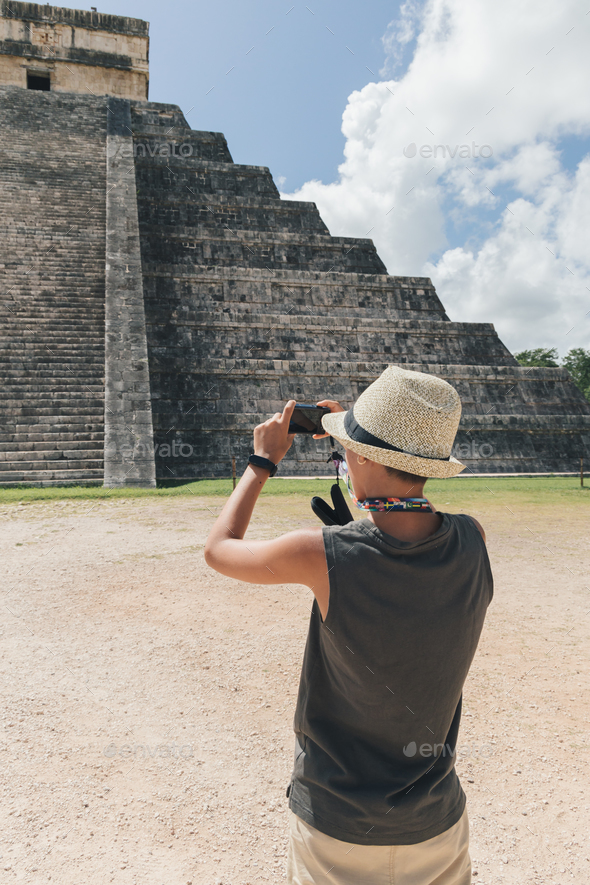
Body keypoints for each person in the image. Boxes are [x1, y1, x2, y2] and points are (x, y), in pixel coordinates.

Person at [204, 365, 493, 885]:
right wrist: (359, 445)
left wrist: (260, 462)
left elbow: (219, 551)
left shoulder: (320, 554)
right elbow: (404, 527)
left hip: (337, 827)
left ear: (358, 456)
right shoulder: (474, 540)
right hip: (436, 824)